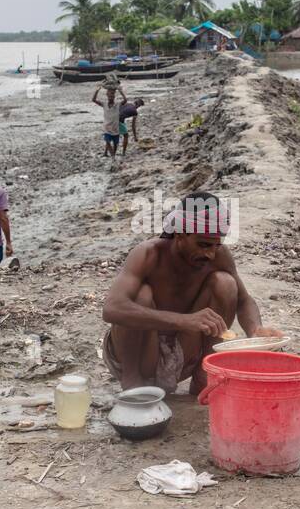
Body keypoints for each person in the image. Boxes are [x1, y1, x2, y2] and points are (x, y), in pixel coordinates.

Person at [101, 191, 280, 394]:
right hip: (138, 352)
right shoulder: (148, 254)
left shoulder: (218, 256)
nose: (210, 253)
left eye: (216, 245)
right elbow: (112, 308)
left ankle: (204, 376)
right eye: (203, 245)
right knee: (141, 295)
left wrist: (256, 330)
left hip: (182, 354)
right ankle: (132, 385)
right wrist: (183, 320)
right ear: (180, 234)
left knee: (226, 283)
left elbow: (243, 301)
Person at [92, 74, 127, 159]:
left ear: (114, 97)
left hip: (115, 129)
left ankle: (113, 156)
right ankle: (113, 157)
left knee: (115, 144)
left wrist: (121, 91)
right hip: (107, 128)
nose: (111, 97)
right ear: (107, 96)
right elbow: (93, 100)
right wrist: (97, 91)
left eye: (112, 96)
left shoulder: (117, 105)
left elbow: (125, 100)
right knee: (107, 142)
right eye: (109, 95)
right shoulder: (104, 104)